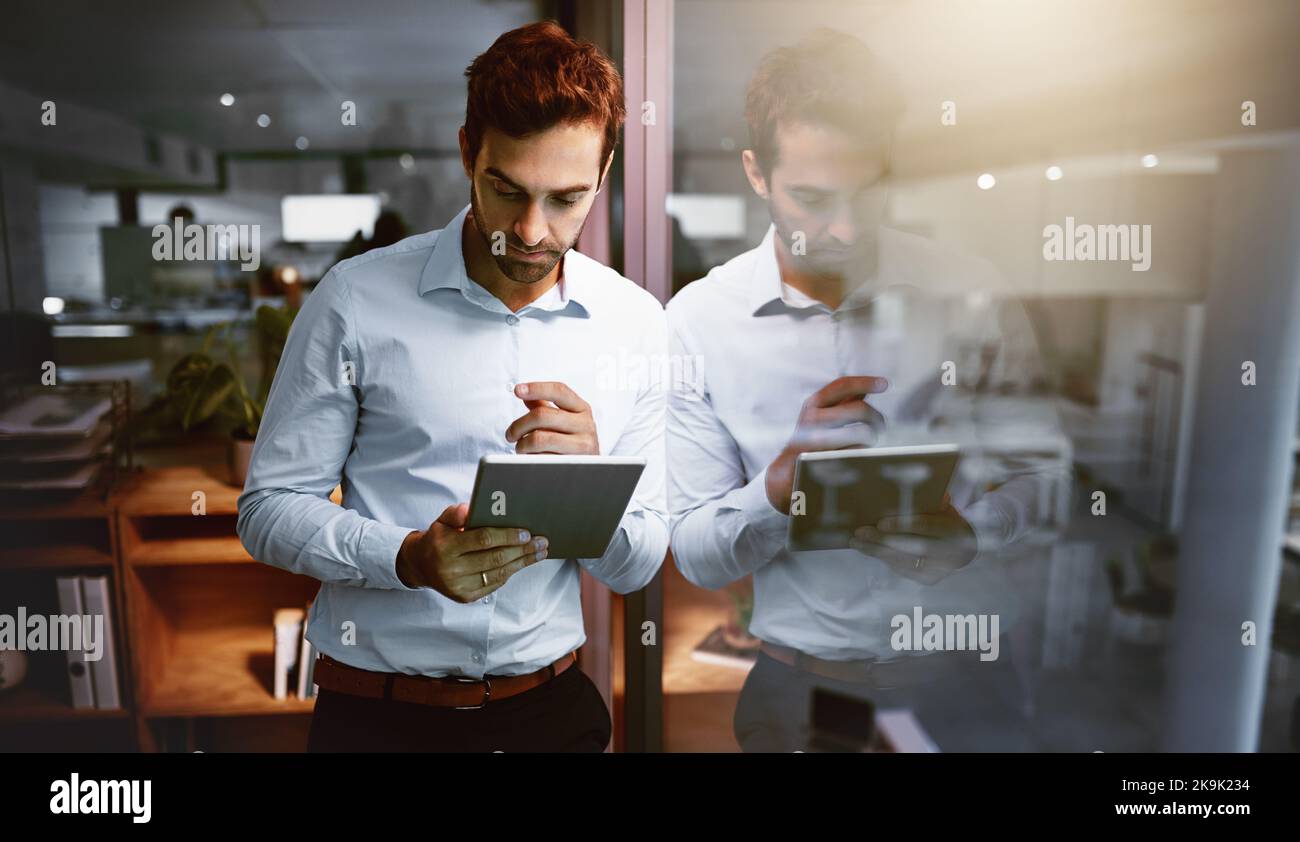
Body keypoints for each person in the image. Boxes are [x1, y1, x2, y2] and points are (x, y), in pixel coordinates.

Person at [237, 21, 667, 753]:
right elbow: (268, 510)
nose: (530, 230)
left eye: (566, 199)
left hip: (551, 715)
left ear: (604, 174)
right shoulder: (354, 300)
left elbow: (637, 565)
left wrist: (592, 484)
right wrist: (406, 557)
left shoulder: (637, 323)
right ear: (469, 152)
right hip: (378, 720)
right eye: (507, 189)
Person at [667, 29, 1069, 752]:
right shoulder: (697, 322)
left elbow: (1049, 476)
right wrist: (777, 490)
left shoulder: (972, 292)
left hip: (966, 682)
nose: (847, 230)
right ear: (757, 173)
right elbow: (697, 554)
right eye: (812, 198)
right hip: (804, 695)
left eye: (870, 192)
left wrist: (974, 534)